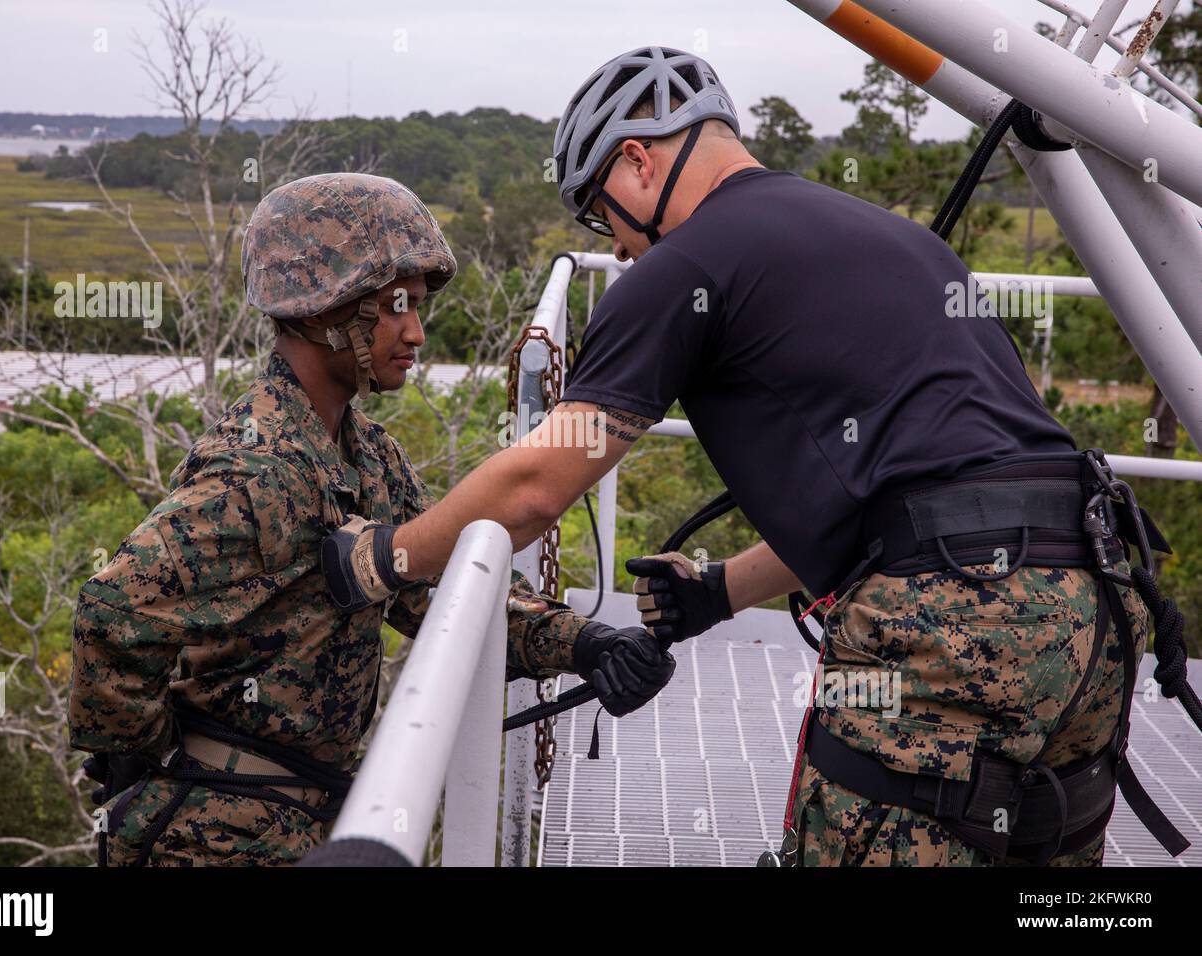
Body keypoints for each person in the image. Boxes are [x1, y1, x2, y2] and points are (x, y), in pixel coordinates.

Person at [319, 49, 1186, 867]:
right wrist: (719, 590)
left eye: (599, 215)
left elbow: (544, 480)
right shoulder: (899, 242)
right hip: (1099, 605)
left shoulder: (684, 265)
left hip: (953, 633)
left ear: (637, 165)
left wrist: (383, 557)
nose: (615, 247)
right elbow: (932, 498)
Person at [68, 172, 674, 867]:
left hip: (302, 818)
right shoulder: (258, 473)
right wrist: (141, 750)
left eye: (416, 307)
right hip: (216, 835)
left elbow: (433, 593)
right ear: (325, 308)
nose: (415, 332)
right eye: (395, 306)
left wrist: (587, 644)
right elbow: (109, 611)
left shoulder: (367, 457)